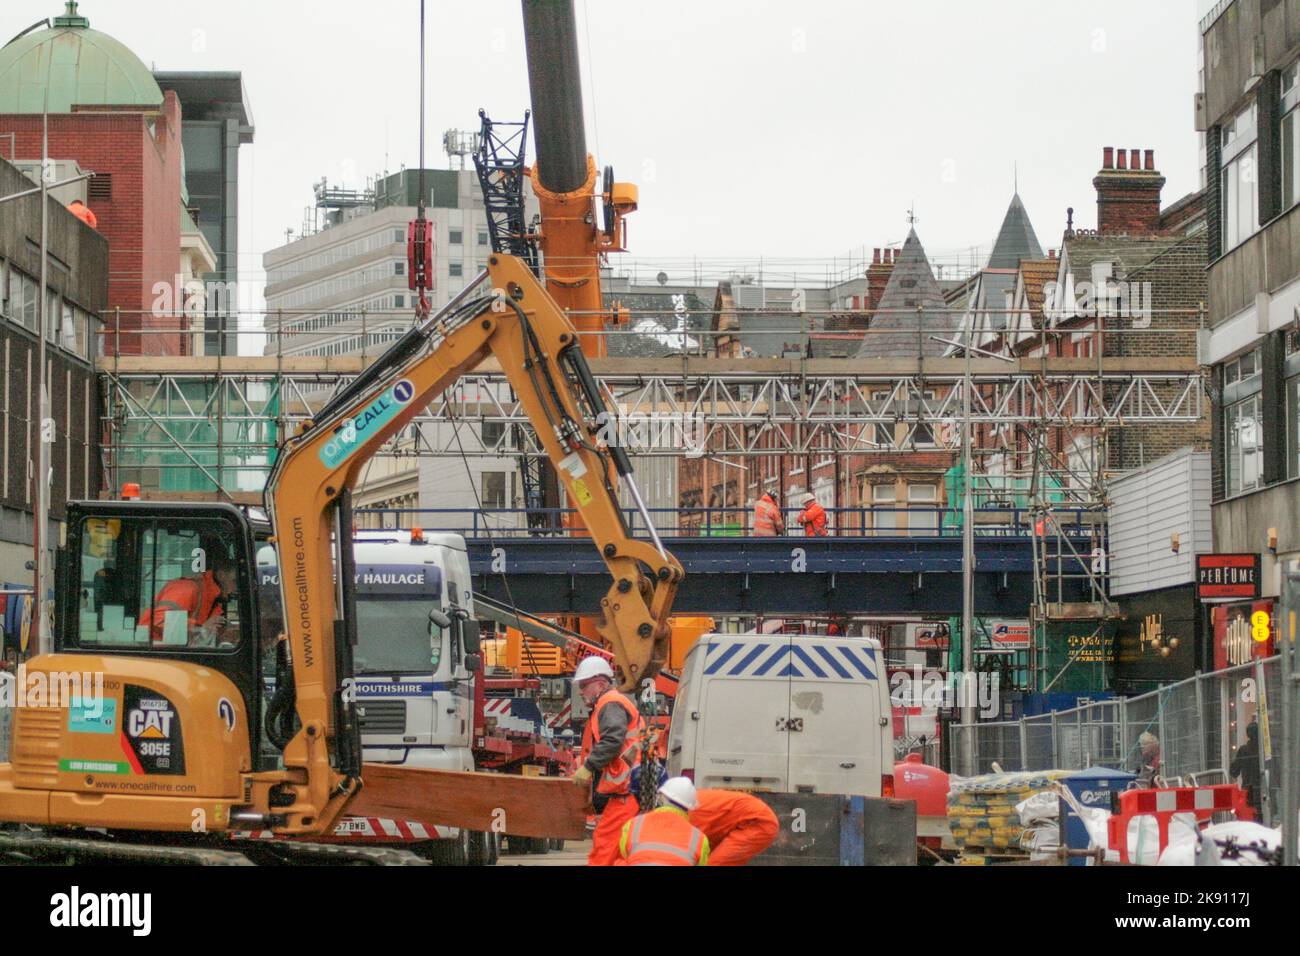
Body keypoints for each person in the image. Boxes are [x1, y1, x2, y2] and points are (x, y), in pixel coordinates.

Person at [572, 656, 644, 866]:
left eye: (584, 685)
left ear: (601, 684)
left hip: (626, 792)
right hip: (628, 791)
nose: (581, 691)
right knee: (620, 850)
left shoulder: (610, 703)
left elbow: (613, 739)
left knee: (605, 845)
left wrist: (588, 767)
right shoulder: (611, 702)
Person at [139, 551, 237, 646]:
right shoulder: (186, 589)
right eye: (234, 581)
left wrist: (224, 633)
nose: (236, 589)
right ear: (221, 576)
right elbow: (159, 620)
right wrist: (201, 628)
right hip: (157, 653)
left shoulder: (213, 600)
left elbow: (200, 635)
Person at [618, 777, 709, 866]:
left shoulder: (634, 825)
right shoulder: (699, 839)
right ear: (690, 808)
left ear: (661, 797)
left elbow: (625, 853)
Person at [690, 788, 779, 866]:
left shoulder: (693, 813)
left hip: (758, 822)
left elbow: (691, 851)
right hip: (747, 819)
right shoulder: (689, 804)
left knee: (715, 863)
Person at [1229, 720, 1262, 815]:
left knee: (1249, 817)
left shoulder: (1243, 751)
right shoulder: (1264, 752)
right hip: (1263, 791)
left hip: (1248, 792)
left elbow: (1234, 771)